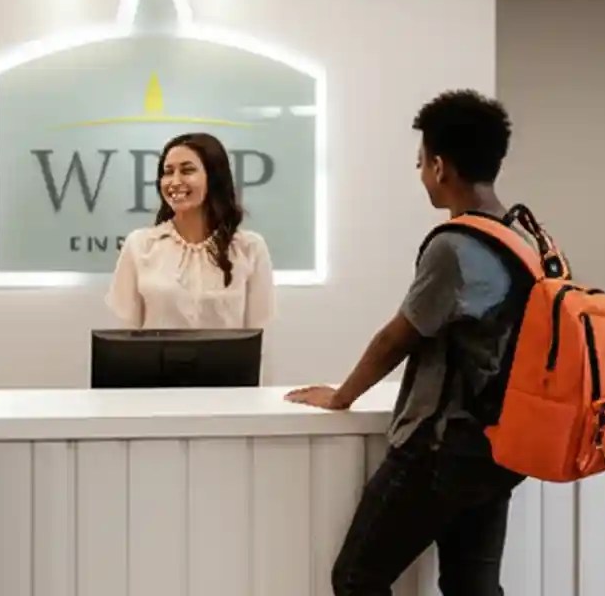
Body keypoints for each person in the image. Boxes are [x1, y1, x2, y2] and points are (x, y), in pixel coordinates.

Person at [287, 90, 528, 596]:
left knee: (356, 578)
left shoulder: (455, 246)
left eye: (421, 163)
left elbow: (397, 337)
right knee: (473, 588)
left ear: (440, 167)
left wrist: (340, 395)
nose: (420, 174)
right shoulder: (527, 237)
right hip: (501, 445)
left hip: (439, 448)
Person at [106, 132, 274, 329]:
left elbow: (261, 335)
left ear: (213, 178)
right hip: (153, 361)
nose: (175, 181)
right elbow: (126, 335)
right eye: (168, 172)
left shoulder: (249, 248)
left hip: (228, 361)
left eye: (187, 170)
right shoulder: (139, 245)